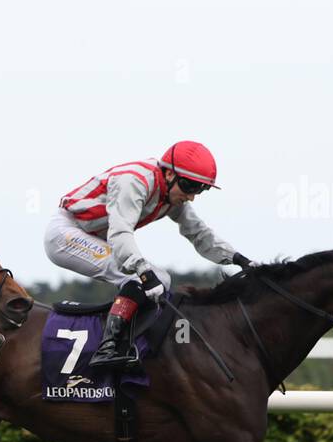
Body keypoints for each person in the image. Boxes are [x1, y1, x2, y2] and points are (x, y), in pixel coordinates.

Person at [44, 140, 257, 367]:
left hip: (94, 236)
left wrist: (238, 259)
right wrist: (144, 272)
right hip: (66, 233)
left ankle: (128, 343)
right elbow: (120, 234)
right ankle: (107, 349)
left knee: (162, 279)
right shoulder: (134, 181)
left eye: (200, 189)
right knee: (141, 279)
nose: (191, 196)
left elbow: (199, 233)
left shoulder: (172, 192)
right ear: (169, 174)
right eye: (190, 186)